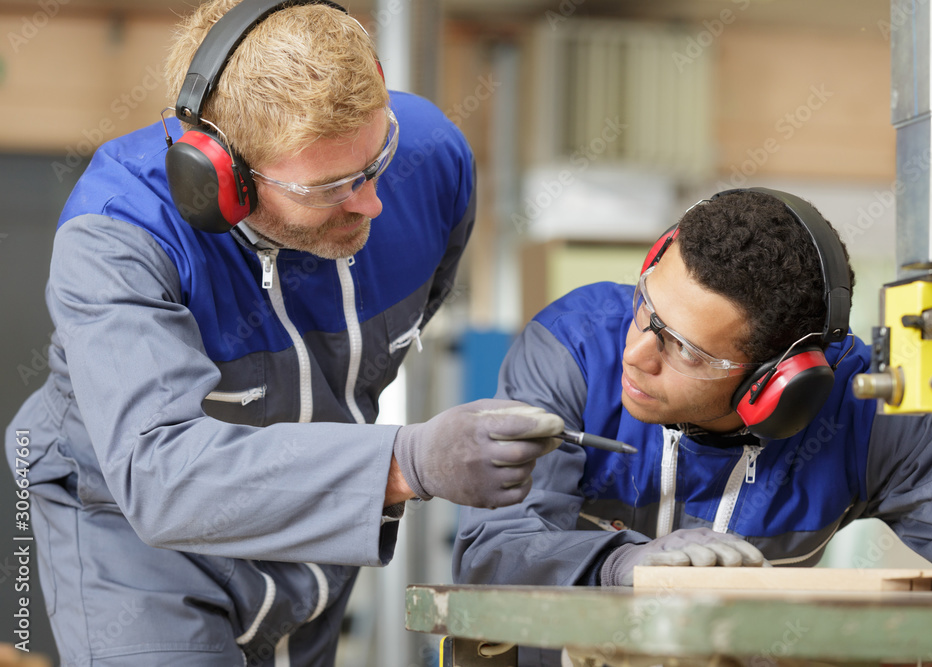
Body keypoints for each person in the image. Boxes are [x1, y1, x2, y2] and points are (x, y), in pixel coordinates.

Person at [4, 1, 565, 665]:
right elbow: (160, 473)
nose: (373, 203)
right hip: (133, 534)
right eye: (331, 187)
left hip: (312, 525)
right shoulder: (118, 237)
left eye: (376, 158)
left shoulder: (433, 163)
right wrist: (402, 461)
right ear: (224, 181)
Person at [453, 187, 932, 664]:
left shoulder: (861, 410)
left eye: (685, 350)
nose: (637, 353)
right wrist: (618, 565)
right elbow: (490, 555)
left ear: (778, 385)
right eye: (646, 304)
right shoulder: (574, 349)